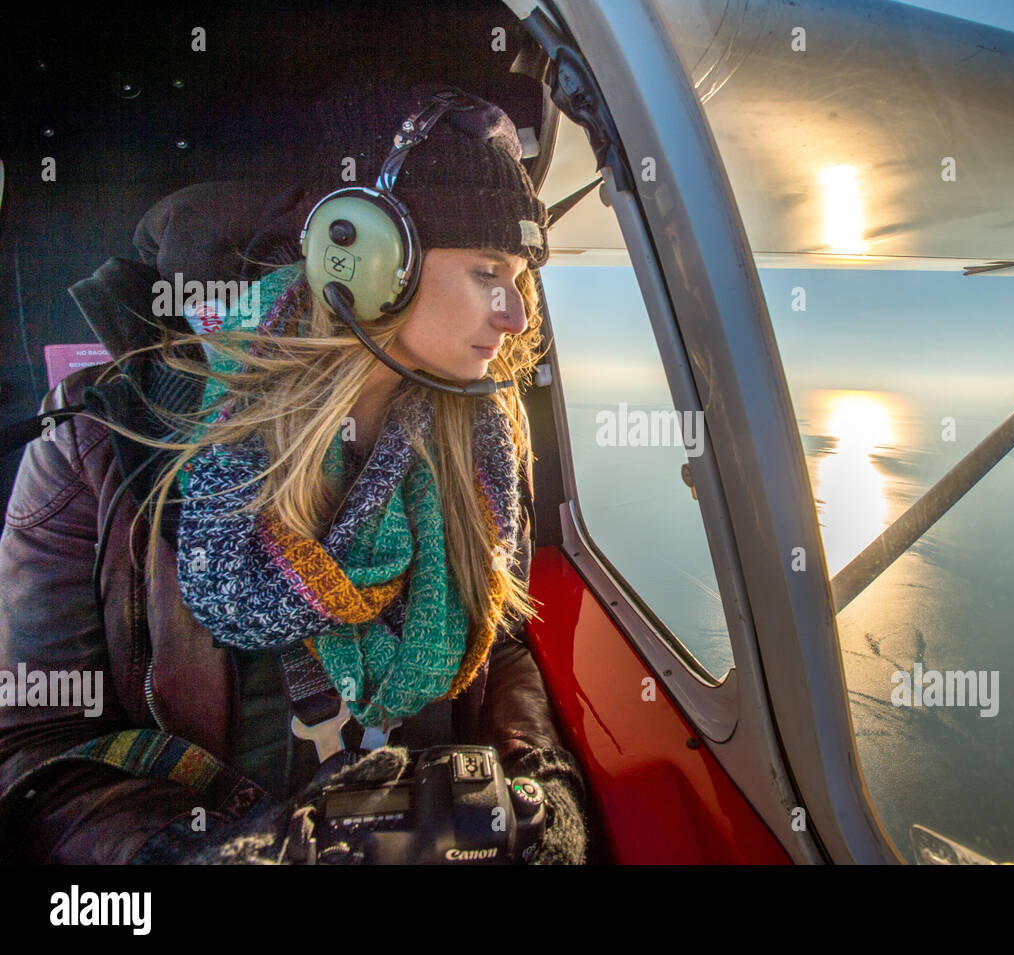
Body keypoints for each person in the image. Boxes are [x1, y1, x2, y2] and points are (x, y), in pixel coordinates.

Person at [0, 83, 588, 864]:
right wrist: (212, 853)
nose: (515, 315)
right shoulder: (103, 446)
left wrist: (537, 791)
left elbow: (503, 643)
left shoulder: (483, 437)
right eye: (488, 269)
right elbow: (35, 745)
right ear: (374, 258)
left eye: (518, 277)